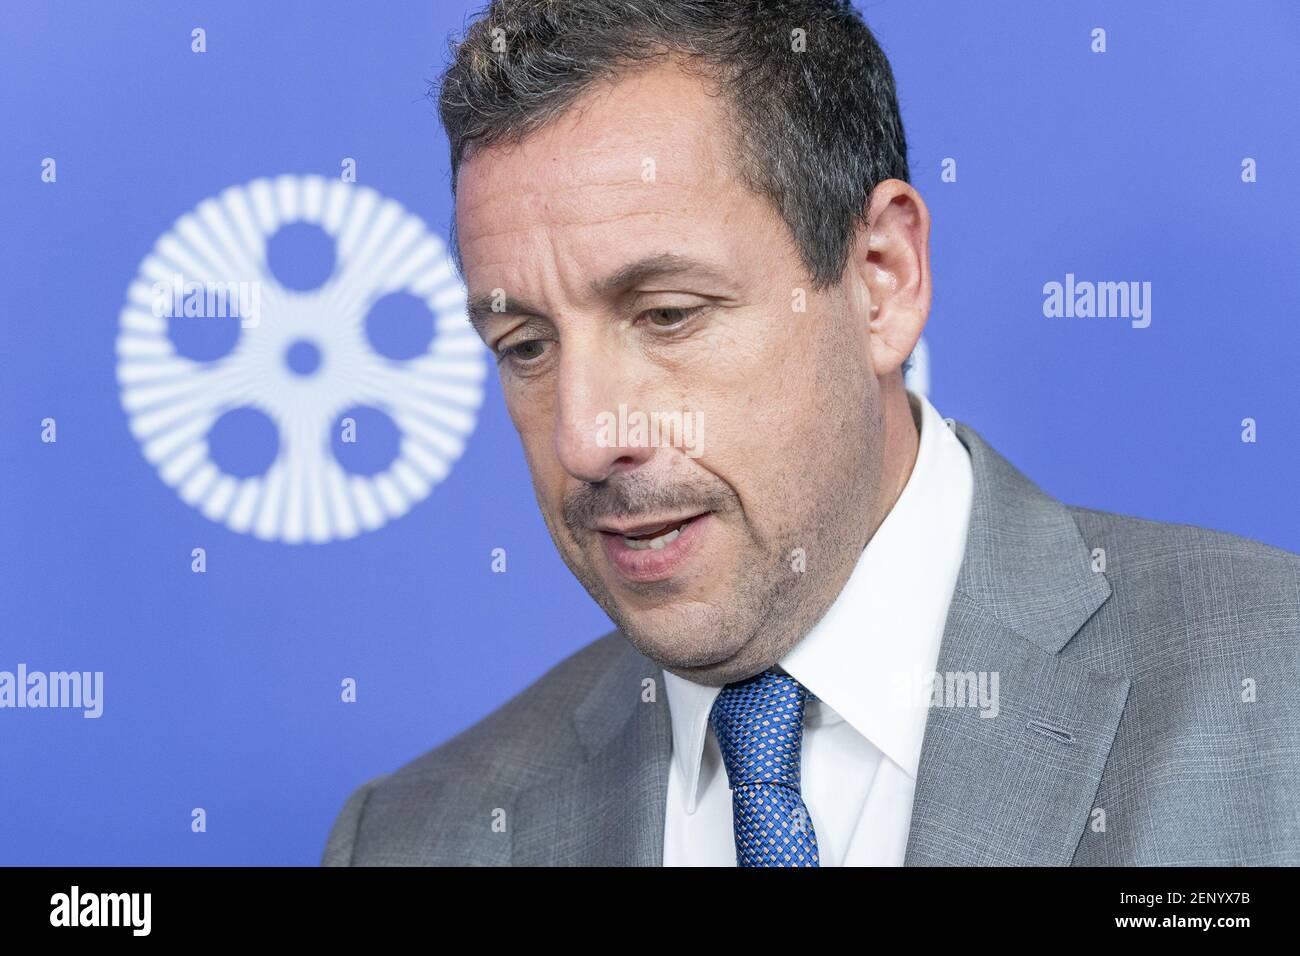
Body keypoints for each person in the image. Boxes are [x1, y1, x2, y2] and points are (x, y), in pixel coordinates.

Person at [323, 0, 1300, 866]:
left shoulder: (1274, 692)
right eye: (526, 344)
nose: (585, 436)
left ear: (881, 278)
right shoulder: (416, 836)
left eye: (667, 315)